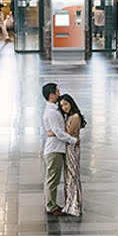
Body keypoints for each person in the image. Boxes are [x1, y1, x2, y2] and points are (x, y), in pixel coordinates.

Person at [41, 83, 77, 217]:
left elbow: (55, 131)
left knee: (53, 179)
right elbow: (58, 132)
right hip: (54, 150)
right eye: (57, 91)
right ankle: (51, 206)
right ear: (51, 95)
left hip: (57, 148)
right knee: (52, 180)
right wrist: (73, 140)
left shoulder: (55, 109)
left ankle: (52, 204)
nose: (59, 93)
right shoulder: (51, 112)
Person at [56, 94, 86, 218]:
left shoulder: (75, 117)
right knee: (68, 176)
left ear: (71, 103)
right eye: (62, 105)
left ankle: (75, 205)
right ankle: (69, 203)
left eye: (66, 104)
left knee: (73, 175)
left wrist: (56, 132)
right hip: (68, 147)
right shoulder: (69, 116)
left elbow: (68, 134)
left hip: (72, 148)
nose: (64, 107)